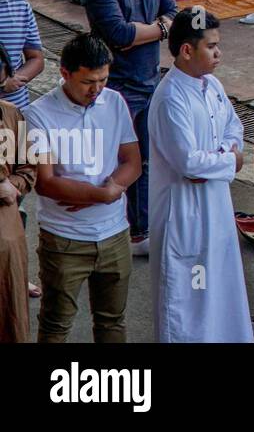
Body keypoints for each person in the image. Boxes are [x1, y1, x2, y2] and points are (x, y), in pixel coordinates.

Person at [25, 34, 141, 342]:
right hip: (64, 239)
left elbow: (133, 162)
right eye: (88, 81)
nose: (97, 89)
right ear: (65, 73)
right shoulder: (38, 114)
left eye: (103, 80)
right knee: (56, 325)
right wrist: (104, 194)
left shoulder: (114, 102)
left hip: (115, 234)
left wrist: (102, 193)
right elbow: (46, 183)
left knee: (112, 322)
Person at [148, 9, 252, 342]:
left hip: (216, 206)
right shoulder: (171, 98)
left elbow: (234, 128)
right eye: (211, 46)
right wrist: (229, 160)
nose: (218, 53)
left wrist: (221, 157)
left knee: (220, 291)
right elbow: (188, 162)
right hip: (185, 214)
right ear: (186, 50)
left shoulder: (213, 85)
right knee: (189, 302)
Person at [80, 0, 177, 255]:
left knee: (148, 159)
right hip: (116, 85)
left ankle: (140, 230)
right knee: (114, 161)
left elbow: (172, 10)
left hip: (149, 79)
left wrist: (150, 29)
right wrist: (160, 28)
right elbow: (119, 34)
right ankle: (102, 230)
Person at [0, 91, 34, 342]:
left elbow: (28, 168)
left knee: (8, 315)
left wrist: (12, 186)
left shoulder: (10, 114)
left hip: (6, 234)